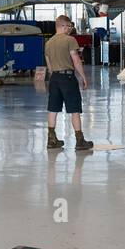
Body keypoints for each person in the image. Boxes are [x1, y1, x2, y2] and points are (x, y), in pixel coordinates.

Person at [45, 15, 93, 151]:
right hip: (67, 78)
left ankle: (51, 140)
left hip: (54, 78)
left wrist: (54, 76)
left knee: (53, 109)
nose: (70, 29)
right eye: (69, 26)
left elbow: (49, 65)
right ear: (63, 26)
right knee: (74, 109)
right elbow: (76, 60)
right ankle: (80, 141)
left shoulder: (48, 43)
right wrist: (83, 76)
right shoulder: (70, 40)